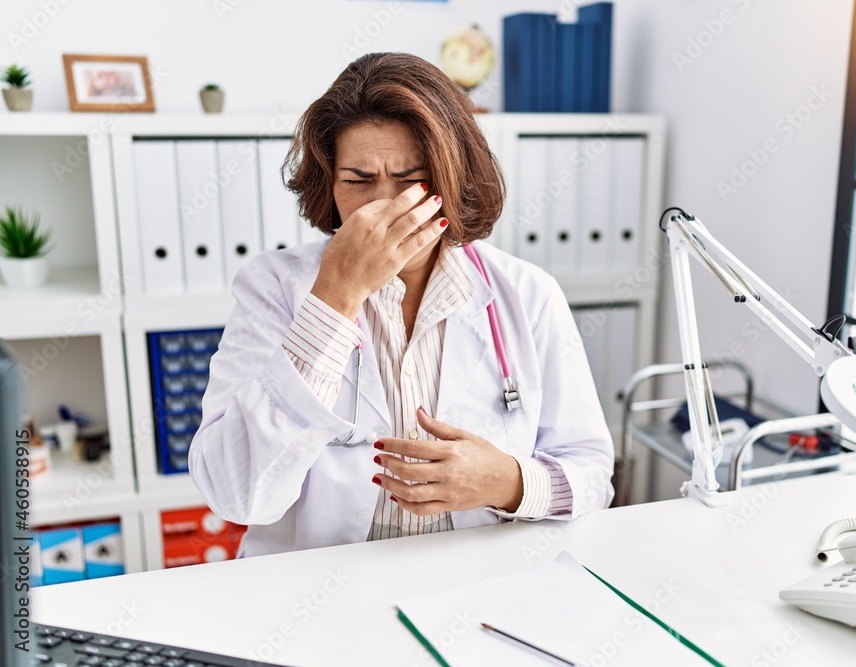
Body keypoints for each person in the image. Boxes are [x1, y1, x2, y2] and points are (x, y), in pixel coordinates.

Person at [188, 52, 613, 558]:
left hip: (473, 585)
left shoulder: (528, 294)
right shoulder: (273, 287)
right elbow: (236, 494)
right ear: (329, 183)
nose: (385, 207)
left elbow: (592, 475)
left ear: (453, 177)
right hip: (318, 596)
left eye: (412, 180)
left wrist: (508, 482)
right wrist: (335, 300)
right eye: (358, 180)